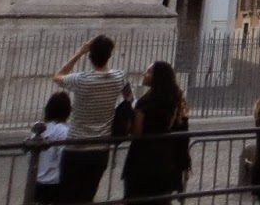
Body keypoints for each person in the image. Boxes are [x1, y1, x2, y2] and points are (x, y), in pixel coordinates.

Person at [51, 35, 124, 203]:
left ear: (90, 57)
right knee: (87, 197)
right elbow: (129, 99)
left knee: (68, 197)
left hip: (76, 147)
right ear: (110, 55)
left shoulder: (82, 80)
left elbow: (58, 76)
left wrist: (79, 53)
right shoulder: (119, 77)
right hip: (101, 149)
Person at [122, 61, 187, 205]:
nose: (145, 74)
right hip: (166, 158)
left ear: (158, 77)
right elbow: (181, 123)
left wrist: (130, 113)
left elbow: (137, 133)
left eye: (149, 72)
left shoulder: (144, 103)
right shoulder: (177, 97)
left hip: (142, 159)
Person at [34, 91, 72, 204]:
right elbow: (64, 159)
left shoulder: (39, 130)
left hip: (37, 180)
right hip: (54, 182)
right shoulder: (63, 131)